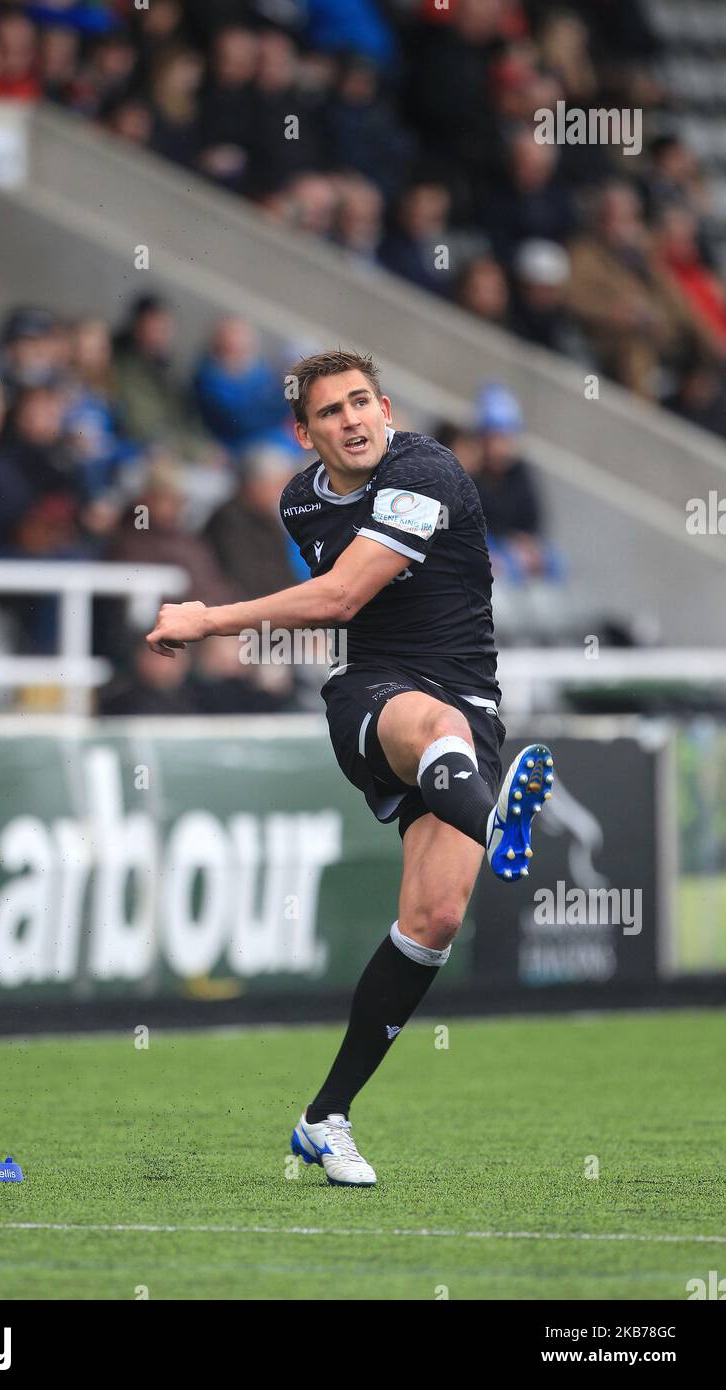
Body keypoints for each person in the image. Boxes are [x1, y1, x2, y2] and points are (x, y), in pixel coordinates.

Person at [145, 349, 555, 1186]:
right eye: (331, 412)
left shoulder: (426, 467)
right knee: (430, 722)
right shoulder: (301, 499)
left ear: (387, 407)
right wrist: (233, 630)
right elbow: (337, 613)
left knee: (435, 919)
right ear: (304, 432)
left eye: (362, 402)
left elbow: (338, 595)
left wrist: (208, 617)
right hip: (373, 696)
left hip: (470, 708)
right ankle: (497, 818)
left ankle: (324, 1117)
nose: (352, 420)